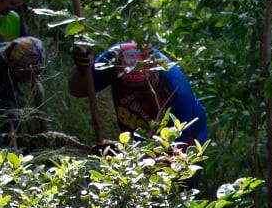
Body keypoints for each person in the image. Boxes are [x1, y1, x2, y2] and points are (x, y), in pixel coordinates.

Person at [67, 41, 208, 147]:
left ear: (154, 73)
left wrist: (121, 154)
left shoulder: (177, 91)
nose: (133, 93)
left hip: (186, 140)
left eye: (141, 88)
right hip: (137, 137)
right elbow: (78, 90)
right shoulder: (113, 60)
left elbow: (174, 153)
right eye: (128, 86)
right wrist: (82, 68)